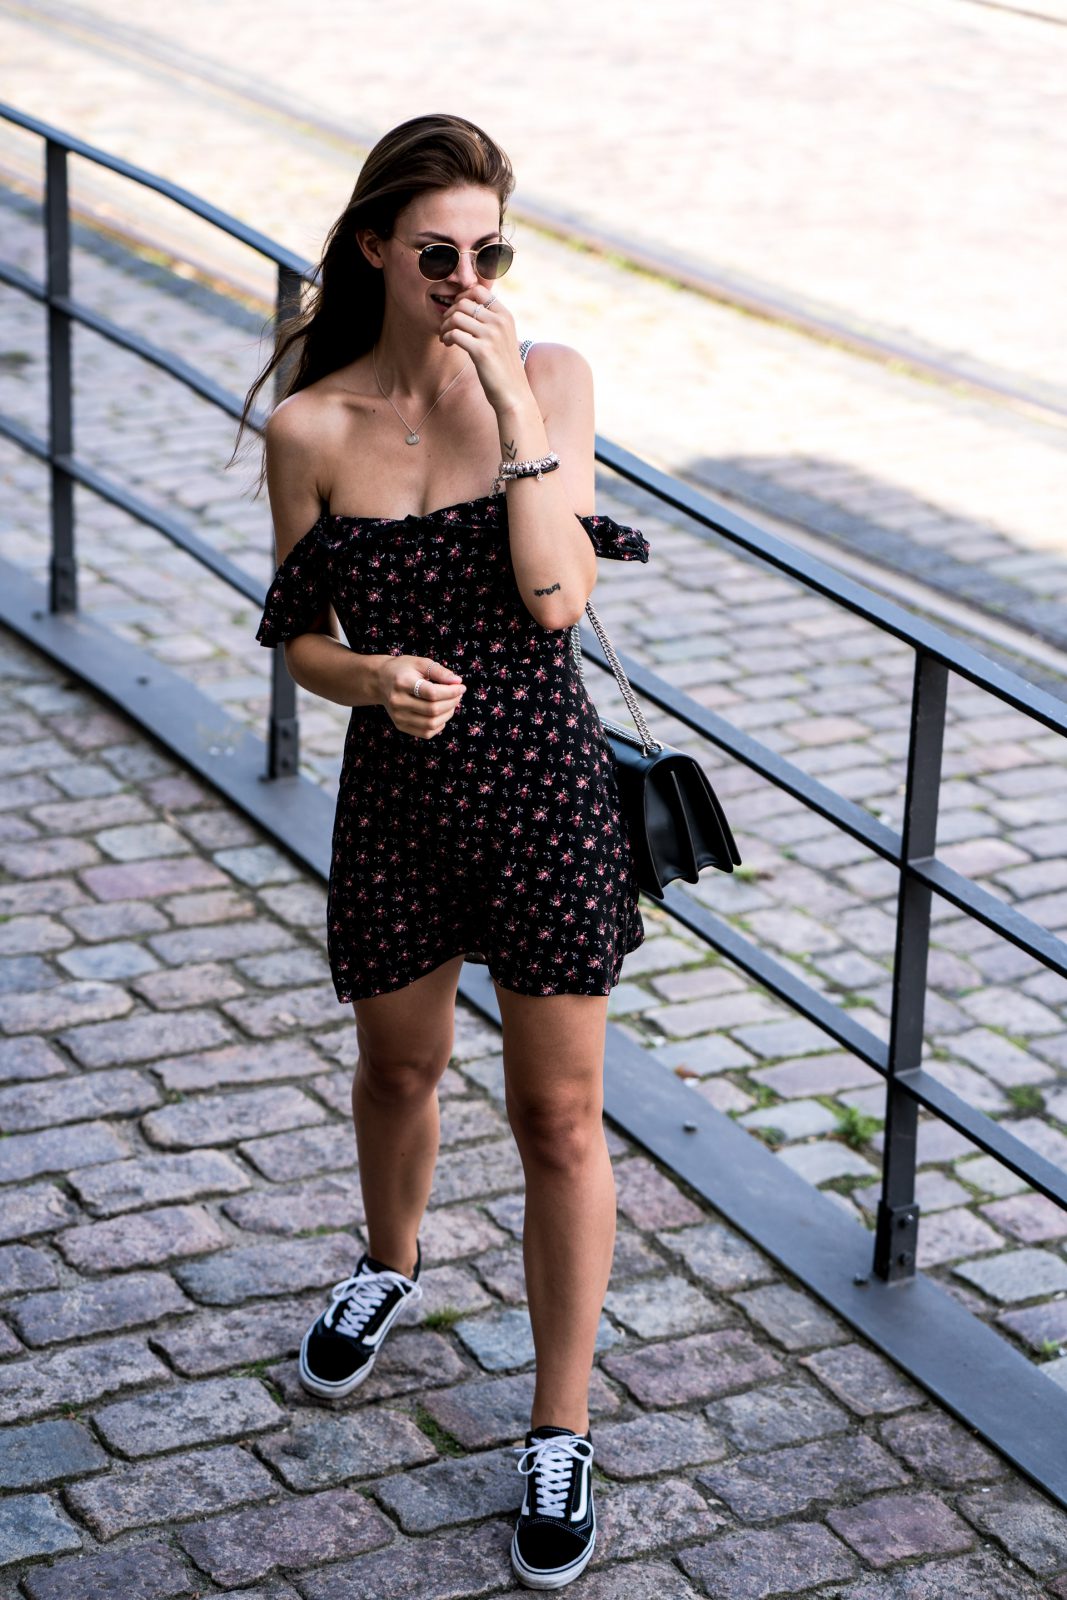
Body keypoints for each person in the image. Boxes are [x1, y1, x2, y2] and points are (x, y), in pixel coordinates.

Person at [236, 112, 651, 1590]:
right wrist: (371, 678)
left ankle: (559, 1426)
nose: (467, 280)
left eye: (490, 254)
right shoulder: (313, 428)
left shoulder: (551, 380)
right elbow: (298, 639)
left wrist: (514, 405)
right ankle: (391, 1261)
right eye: (437, 254)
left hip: (542, 790)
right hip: (400, 800)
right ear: (374, 249)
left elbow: (555, 599)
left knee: (560, 1120)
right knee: (398, 1068)